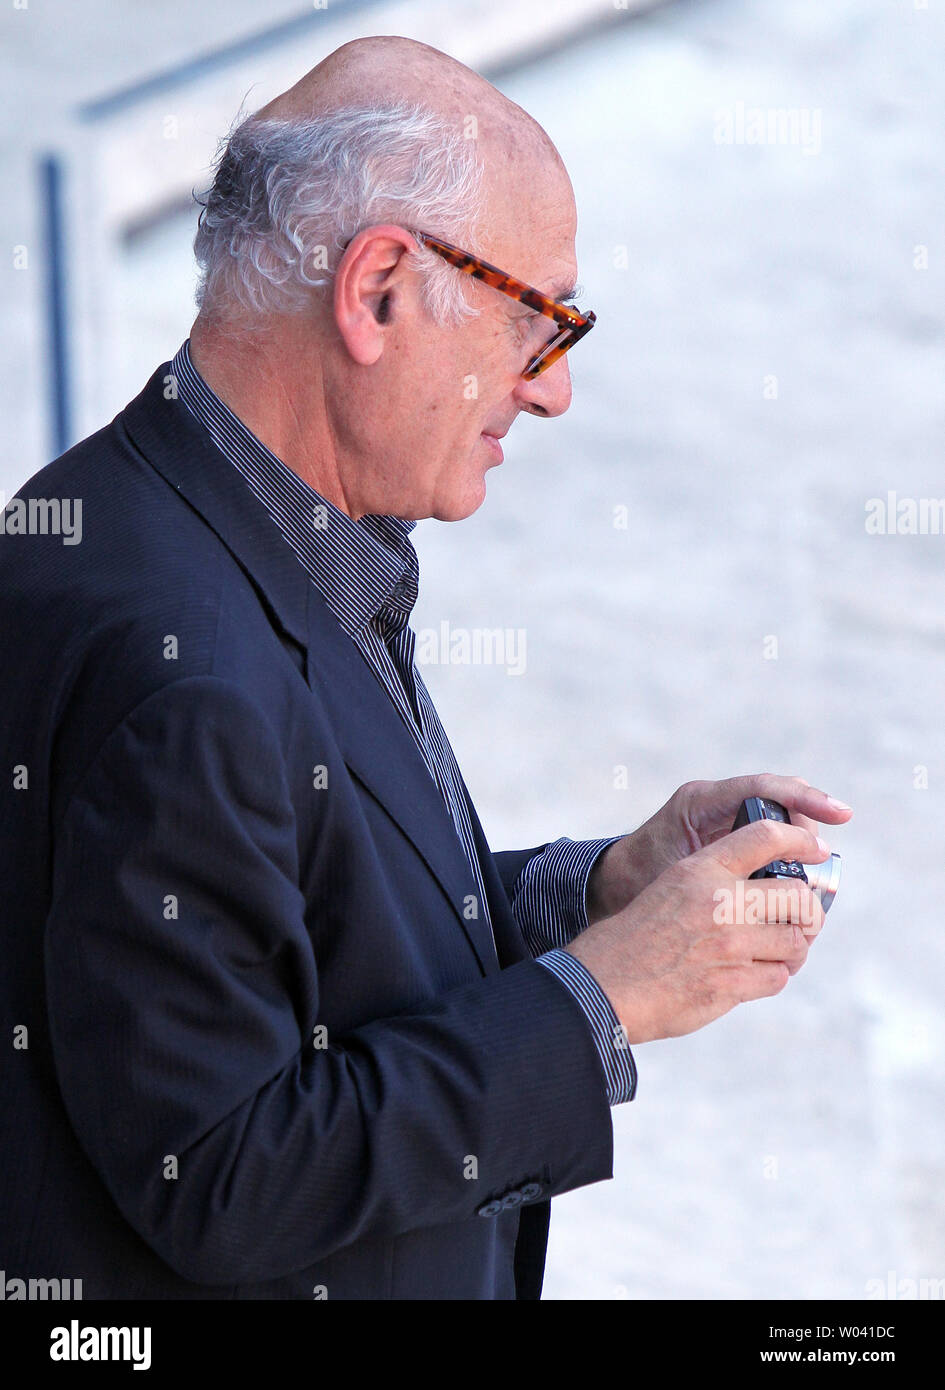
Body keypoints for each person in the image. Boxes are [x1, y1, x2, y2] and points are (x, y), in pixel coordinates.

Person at [0, 36, 851, 1300]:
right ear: (382, 289)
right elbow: (226, 1174)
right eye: (537, 320)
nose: (552, 391)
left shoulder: (210, 526)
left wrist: (601, 894)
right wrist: (602, 997)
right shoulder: (187, 672)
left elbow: (303, 950)